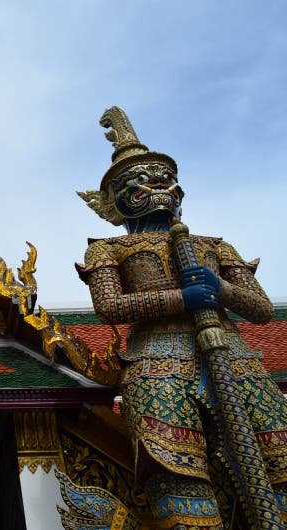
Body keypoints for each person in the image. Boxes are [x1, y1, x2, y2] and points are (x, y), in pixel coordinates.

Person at [76, 106, 287, 529]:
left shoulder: (215, 246)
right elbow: (110, 307)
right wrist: (183, 297)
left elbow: (261, 309)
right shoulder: (107, 250)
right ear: (114, 200)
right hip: (156, 365)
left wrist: (220, 289)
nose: (158, 187)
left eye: (165, 179)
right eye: (138, 181)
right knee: (180, 477)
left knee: (277, 470)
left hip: (235, 359)